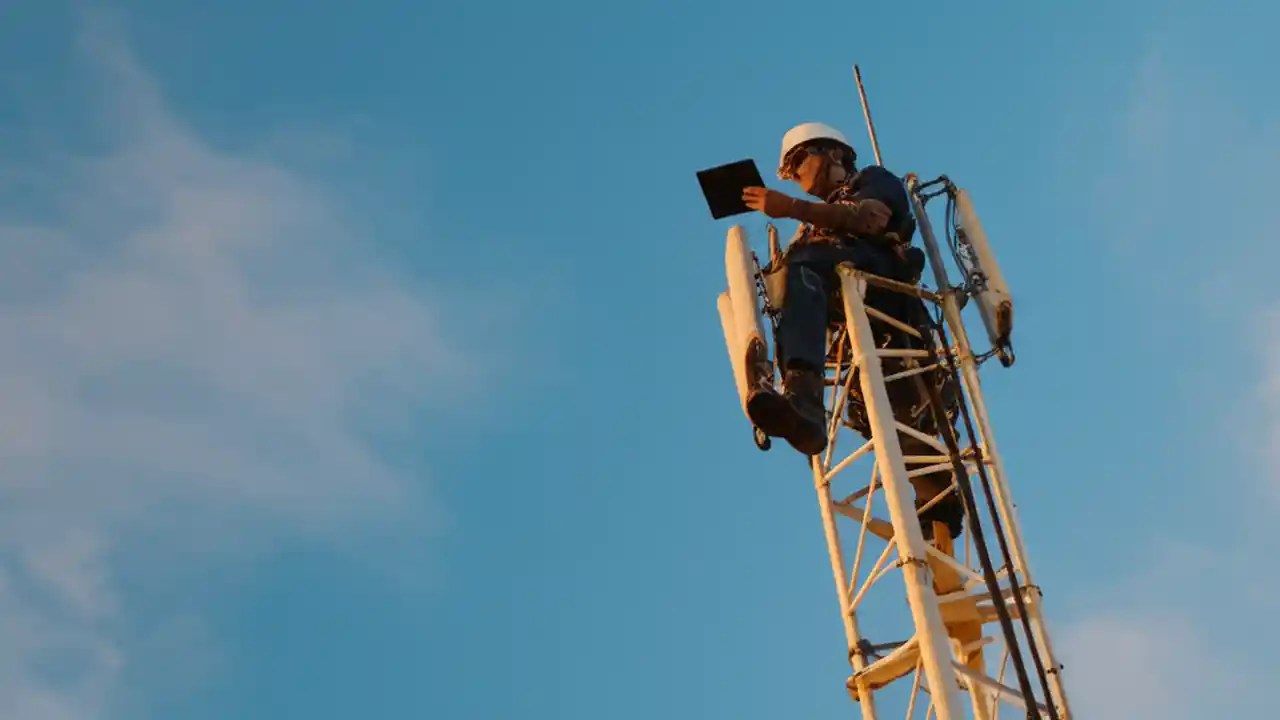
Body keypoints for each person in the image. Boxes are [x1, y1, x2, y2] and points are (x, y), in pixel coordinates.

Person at [740, 122, 964, 540]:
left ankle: (806, 399)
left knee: (806, 263)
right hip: (857, 332)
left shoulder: (874, 181)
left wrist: (790, 207)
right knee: (888, 418)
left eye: (796, 162)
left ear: (832, 153)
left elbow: (870, 220)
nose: (796, 177)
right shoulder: (810, 231)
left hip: (883, 287)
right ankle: (939, 505)